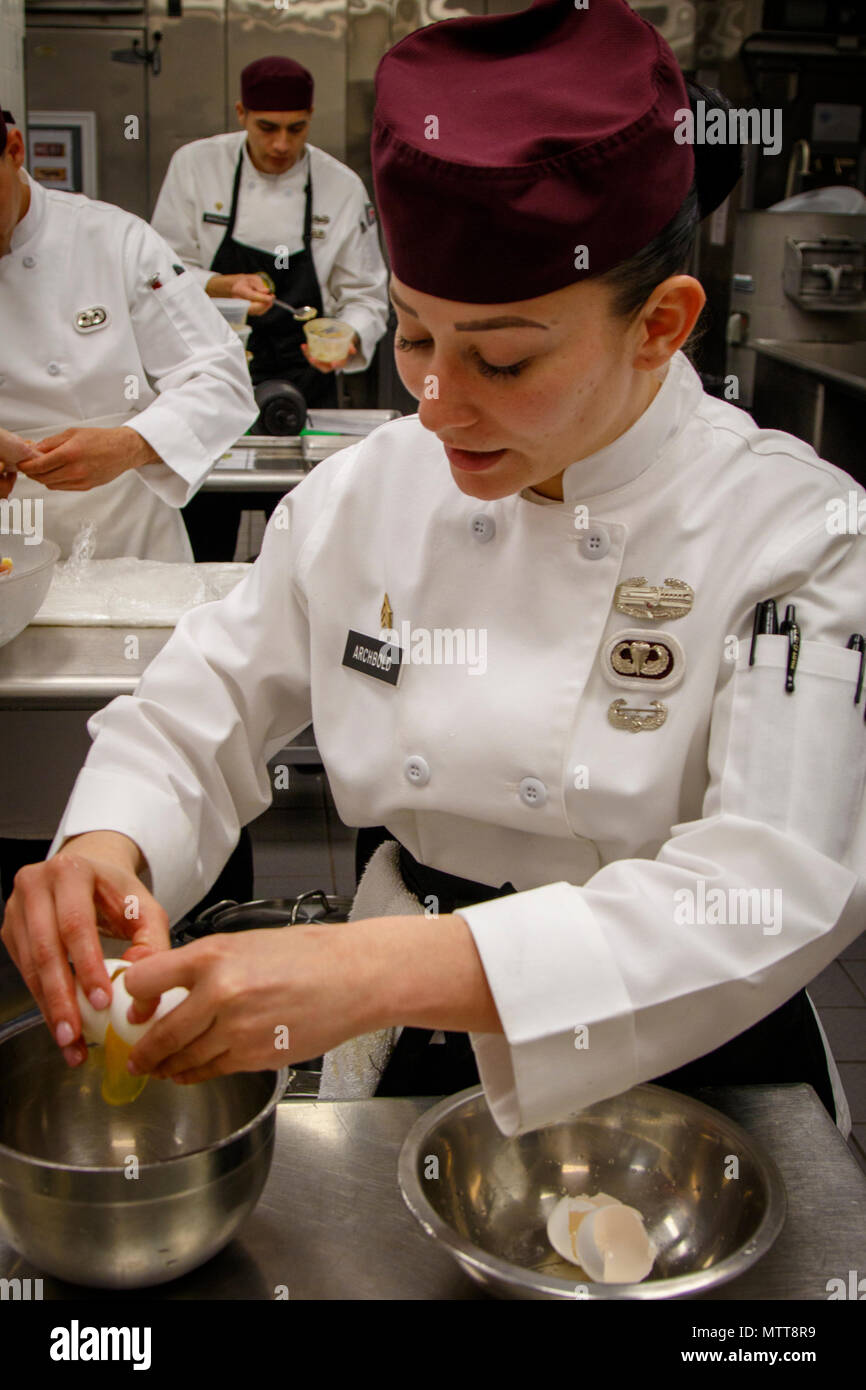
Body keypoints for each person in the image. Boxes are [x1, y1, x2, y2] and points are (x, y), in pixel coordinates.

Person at [3, 0, 864, 1139]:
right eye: (412, 336)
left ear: (660, 322)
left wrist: (377, 968)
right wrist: (108, 844)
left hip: (691, 1065)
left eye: (501, 360)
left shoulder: (795, 529)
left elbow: (769, 881)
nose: (436, 404)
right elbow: (201, 700)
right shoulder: (371, 487)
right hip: (400, 1045)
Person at [0, 104, 257, 899]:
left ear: (12, 150)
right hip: (7, 576)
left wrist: (131, 442)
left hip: (126, 561)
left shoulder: (113, 242)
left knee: (159, 779)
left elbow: (219, 377)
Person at [152, 55, 389, 558]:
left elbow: (366, 295)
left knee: (302, 550)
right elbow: (160, 277)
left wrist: (349, 337)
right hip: (211, 379)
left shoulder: (341, 187)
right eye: (267, 128)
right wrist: (221, 285)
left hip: (306, 388)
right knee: (204, 546)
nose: (281, 144)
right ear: (241, 113)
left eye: (296, 129)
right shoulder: (196, 167)